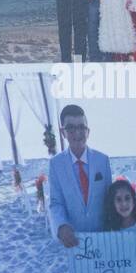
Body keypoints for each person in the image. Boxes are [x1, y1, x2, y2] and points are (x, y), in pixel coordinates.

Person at [47, 104, 111, 248]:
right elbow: (56, 202)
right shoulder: (56, 164)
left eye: (81, 127)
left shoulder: (103, 160)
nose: (77, 133)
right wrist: (61, 226)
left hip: (103, 238)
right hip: (74, 241)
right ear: (63, 132)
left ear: (88, 131)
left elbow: (110, 198)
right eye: (71, 128)